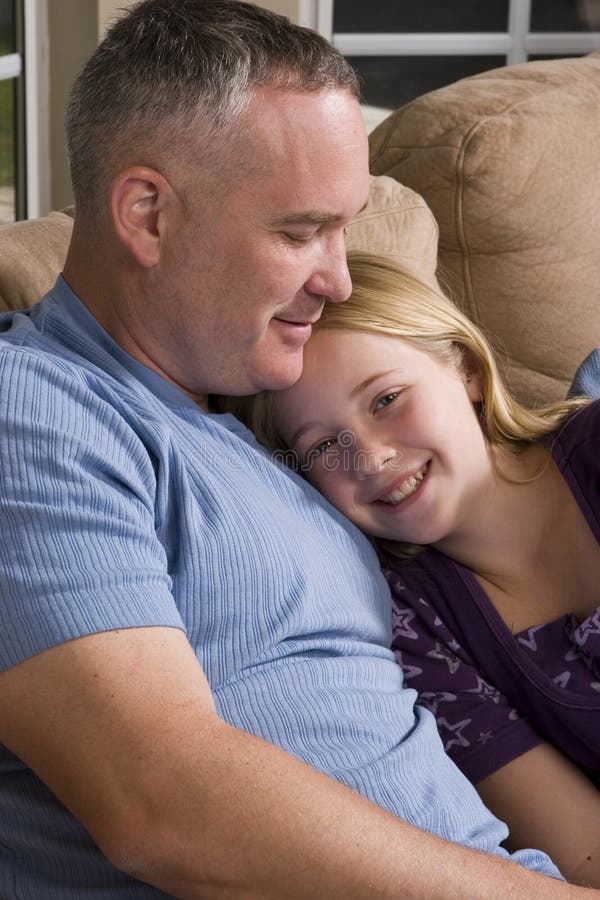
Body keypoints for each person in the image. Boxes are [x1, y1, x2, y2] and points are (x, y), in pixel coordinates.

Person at [0, 2, 593, 896]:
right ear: (147, 215)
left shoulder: (253, 434)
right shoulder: (35, 409)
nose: (339, 280)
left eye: (344, 229)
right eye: (298, 231)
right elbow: (158, 805)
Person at [232, 250, 600, 888]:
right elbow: (585, 852)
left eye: (386, 399)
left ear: (467, 370)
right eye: (324, 445)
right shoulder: (410, 628)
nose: (369, 459)